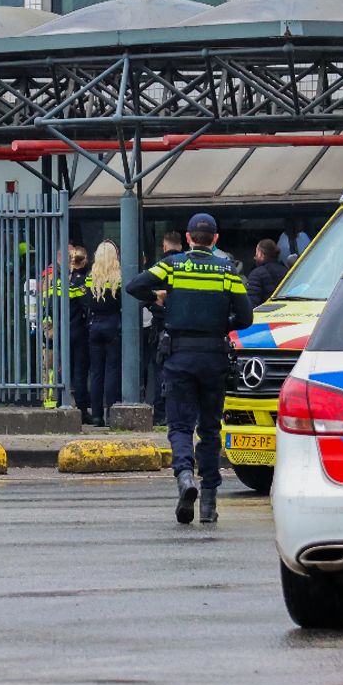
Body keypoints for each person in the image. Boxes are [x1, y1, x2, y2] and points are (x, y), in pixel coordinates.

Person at [126, 213, 253, 525]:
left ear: (187, 237)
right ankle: (209, 504)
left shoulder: (173, 265)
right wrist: (224, 323)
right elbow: (246, 318)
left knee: (180, 426)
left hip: (179, 356)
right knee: (210, 429)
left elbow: (134, 286)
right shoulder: (227, 270)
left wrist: (158, 301)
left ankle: (185, 478)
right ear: (215, 239)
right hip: (214, 357)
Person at [146, 230, 183, 425]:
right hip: (182, 326)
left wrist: (156, 300)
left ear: (164, 246)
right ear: (181, 245)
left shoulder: (160, 266)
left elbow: (142, 290)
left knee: (160, 370)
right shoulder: (186, 266)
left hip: (161, 326)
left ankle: (161, 415)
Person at [86, 239, 122, 426]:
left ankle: (97, 415)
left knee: (96, 373)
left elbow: (86, 302)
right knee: (112, 370)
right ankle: (111, 413)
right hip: (113, 325)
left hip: (95, 326)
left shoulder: (90, 277)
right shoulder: (119, 277)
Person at [68, 245, 91, 423]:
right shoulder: (83, 281)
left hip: (63, 330)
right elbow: (87, 305)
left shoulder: (63, 280)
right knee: (80, 372)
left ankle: (64, 405)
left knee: (64, 371)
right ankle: (82, 410)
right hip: (79, 330)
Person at [247, 238, 288, 308]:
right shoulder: (287, 271)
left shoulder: (256, 274)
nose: (254, 257)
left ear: (261, 254)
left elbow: (252, 303)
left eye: (256, 254)